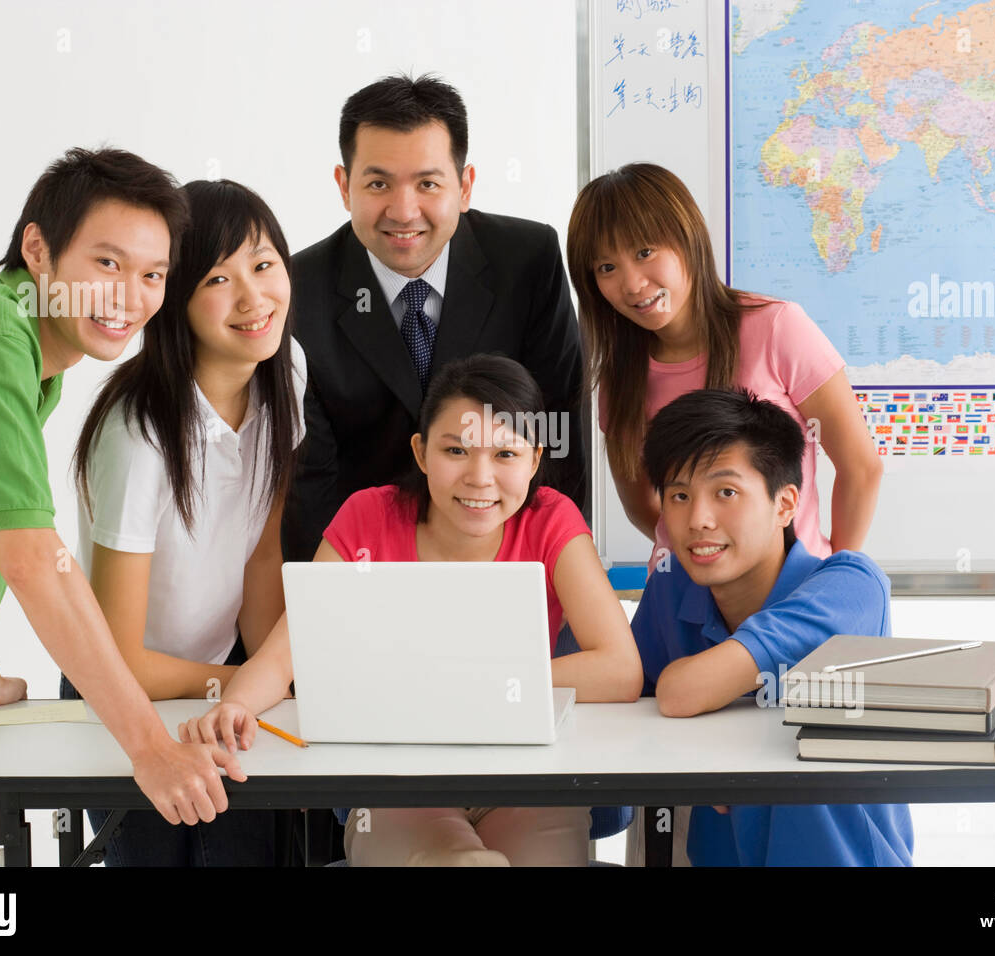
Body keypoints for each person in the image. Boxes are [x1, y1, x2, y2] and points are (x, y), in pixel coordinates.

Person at [0, 147, 245, 866]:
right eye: (107, 263)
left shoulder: (15, 341)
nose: (129, 297)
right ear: (38, 249)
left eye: (152, 275)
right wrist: (150, 749)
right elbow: (35, 562)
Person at [182, 355, 643, 866]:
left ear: (534, 461)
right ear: (421, 452)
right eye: (456, 450)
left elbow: (620, 669)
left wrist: (466, 681)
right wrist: (235, 705)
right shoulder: (369, 516)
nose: (480, 478)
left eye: (505, 454)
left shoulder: (551, 519)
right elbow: (284, 657)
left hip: (527, 781)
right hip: (397, 786)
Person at [61, 179, 306, 865]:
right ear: (174, 299)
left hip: (220, 679)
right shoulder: (137, 435)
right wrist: (246, 686)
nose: (254, 298)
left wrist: (266, 682)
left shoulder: (284, 370)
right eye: (218, 279)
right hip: (122, 693)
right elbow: (122, 658)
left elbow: (262, 553)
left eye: (263, 264)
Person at [283, 73, 587, 563]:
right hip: (364, 560)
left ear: (464, 186)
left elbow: (556, 427)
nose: (404, 212)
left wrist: (556, 566)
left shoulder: (528, 260)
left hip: (508, 551)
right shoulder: (297, 290)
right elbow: (310, 477)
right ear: (344, 186)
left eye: (427, 184)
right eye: (378, 183)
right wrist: (323, 595)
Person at [630, 387, 914, 866]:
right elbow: (628, 702)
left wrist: (701, 726)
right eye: (679, 495)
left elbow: (679, 691)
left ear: (785, 505)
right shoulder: (673, 586)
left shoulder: (851, 586)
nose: (698, 519)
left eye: (726, 493)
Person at [566, 162, 881, 569]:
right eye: (606, 268)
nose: (632, 284)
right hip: (684, 591)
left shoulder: (776, 327)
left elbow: (861, 467)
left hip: (795, 586)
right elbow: (644, 505)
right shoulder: (620, 374)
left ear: (688, 237)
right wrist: (708, 558)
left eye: (645, 252)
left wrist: (837, 575)